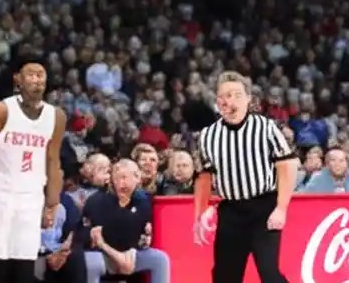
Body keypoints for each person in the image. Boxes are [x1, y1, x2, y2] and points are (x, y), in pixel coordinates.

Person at [193, 71, 299, 283]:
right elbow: (204, 176)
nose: (230, 100)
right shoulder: (208, 135)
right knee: (224, 276)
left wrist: (281, 208)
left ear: (248, 99)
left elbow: (287, 165)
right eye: (224, 96)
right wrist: (200, 213)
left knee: (269, 274)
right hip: (231, 211)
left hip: (263, 207)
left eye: (236, 94)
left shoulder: (266, 127)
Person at [0, 57, 66, 283]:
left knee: (24, 265)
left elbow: (53, 160)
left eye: (41, 75)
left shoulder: (56, 116)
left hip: (32, 198)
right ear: (18, 80)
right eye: (31, 74)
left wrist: (52, 203)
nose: (36, 80)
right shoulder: (1, 109)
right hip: (0, 195)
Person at [82, 159, 170, 283]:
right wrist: (117, 255)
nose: (121, 183)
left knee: (160, 259)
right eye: (117, 178)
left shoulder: (143, 199)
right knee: (91, 262)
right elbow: (106, 235)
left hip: (130, 255)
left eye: (125, 178)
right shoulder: (97, 200)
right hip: (104, 253)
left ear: (137, 179)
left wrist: (132, 250)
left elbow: (140, 232)